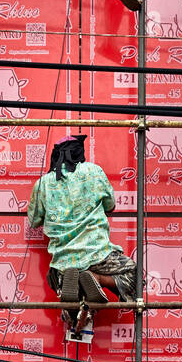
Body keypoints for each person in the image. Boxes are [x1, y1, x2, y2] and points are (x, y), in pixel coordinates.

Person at [26, 135, 137, 338]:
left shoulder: (43, 183)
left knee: (63, 280)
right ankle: (97, 278)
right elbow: (111, 205)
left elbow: (33, 220)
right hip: (99, 254)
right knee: (133, 273)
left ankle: (71, 297)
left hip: (63, 260)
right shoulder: (93, 171)